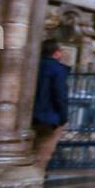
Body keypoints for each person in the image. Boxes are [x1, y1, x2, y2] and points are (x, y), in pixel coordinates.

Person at [32, 39, 70, 180]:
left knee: (31, 150)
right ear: (57, 53)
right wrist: (63, 117)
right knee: (42, 154)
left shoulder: (34, 65)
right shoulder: (57, 69)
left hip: (31, 116)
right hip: (50, 117)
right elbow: (59, 95)